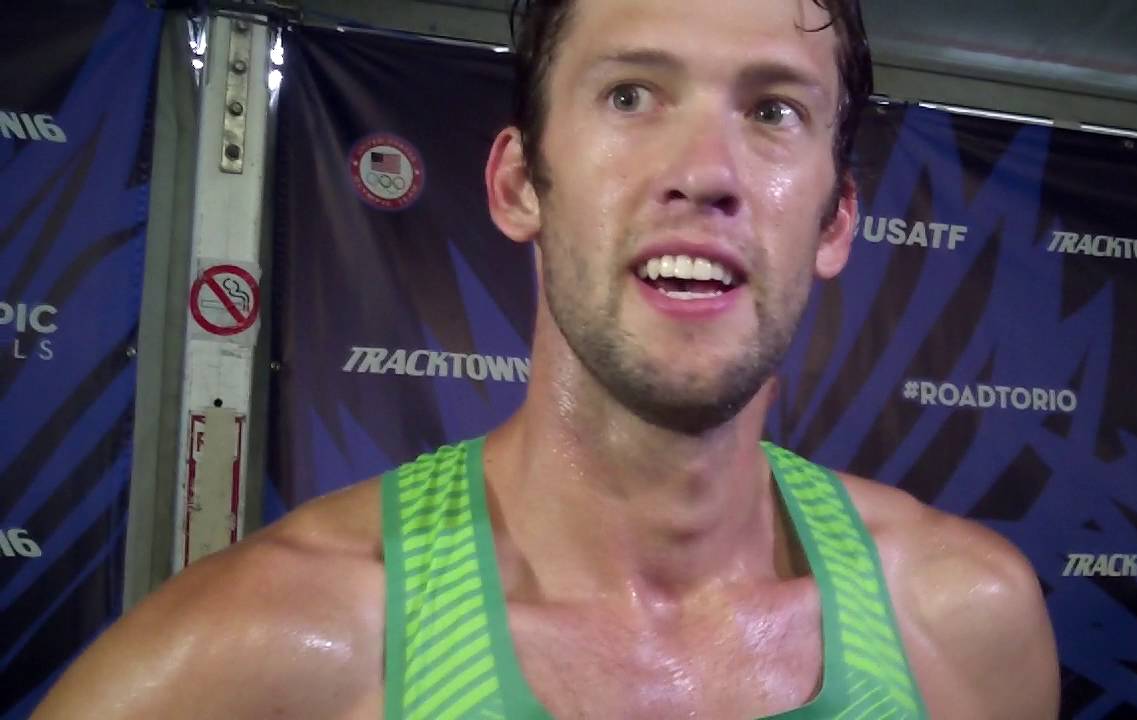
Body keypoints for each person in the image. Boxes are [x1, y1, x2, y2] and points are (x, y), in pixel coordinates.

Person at [34, 0, 1059, 717]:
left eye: (771, 110)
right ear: (521, 184)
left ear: (835, 221)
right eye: (631, 95)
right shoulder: (259, 656)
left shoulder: (966, 622)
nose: (704, 172)